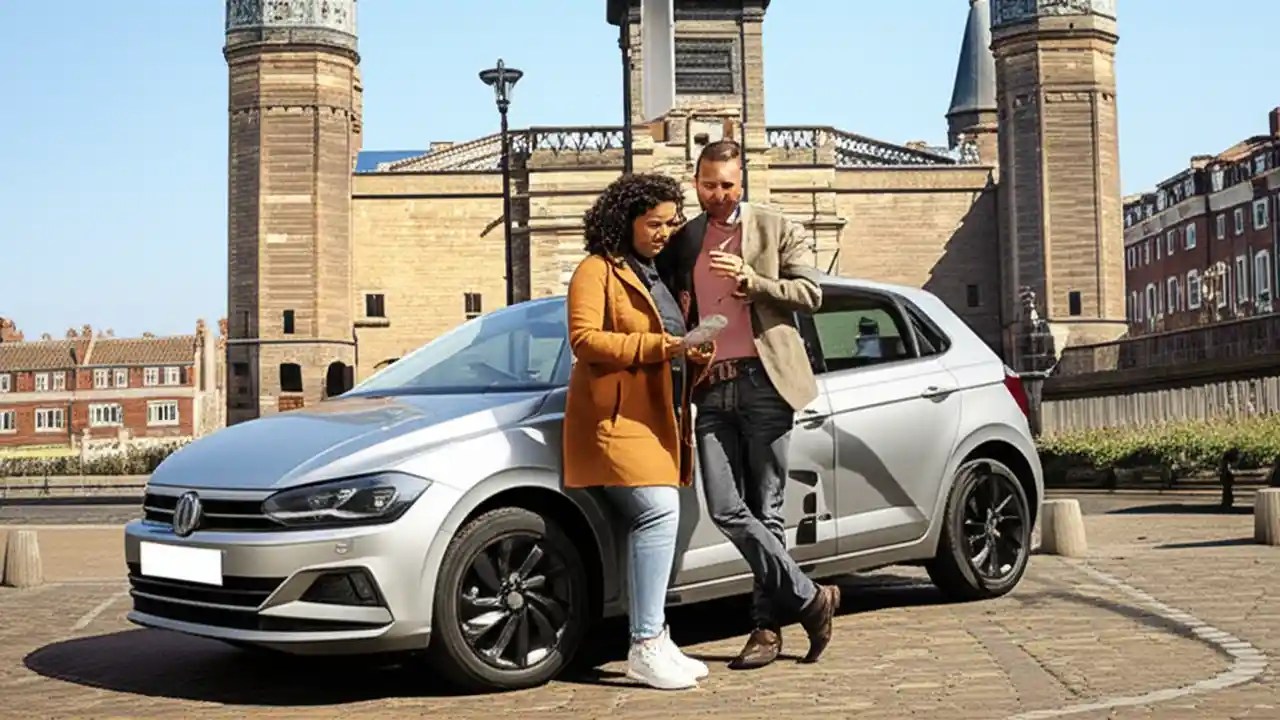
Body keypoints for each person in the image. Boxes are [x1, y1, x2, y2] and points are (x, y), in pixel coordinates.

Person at [656, 139, 840, 670]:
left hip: (766, 382)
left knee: (768, 510)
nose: (717, 194)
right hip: (711, 386)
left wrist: (752, 281)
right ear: (695, 182)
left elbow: (812, 293)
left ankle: (764, 629)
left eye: (727, 185)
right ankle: (811, 598)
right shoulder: (684, 239)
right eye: (708, 184)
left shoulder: (776, 227)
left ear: (743, 182)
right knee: (725, 507)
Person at [562, 172, 715, 690]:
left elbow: (669, 340)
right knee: (657, 511)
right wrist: (661, 348)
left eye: (671, 222)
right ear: (623, 221)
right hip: (616, 419)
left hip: (658, 417)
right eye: (653, 223)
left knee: (658, 515)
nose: (665, 232)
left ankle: (658, 637)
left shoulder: (656, 274)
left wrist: (695, 349)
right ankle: (646, 644)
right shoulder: (595, 270)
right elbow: (585, 342)